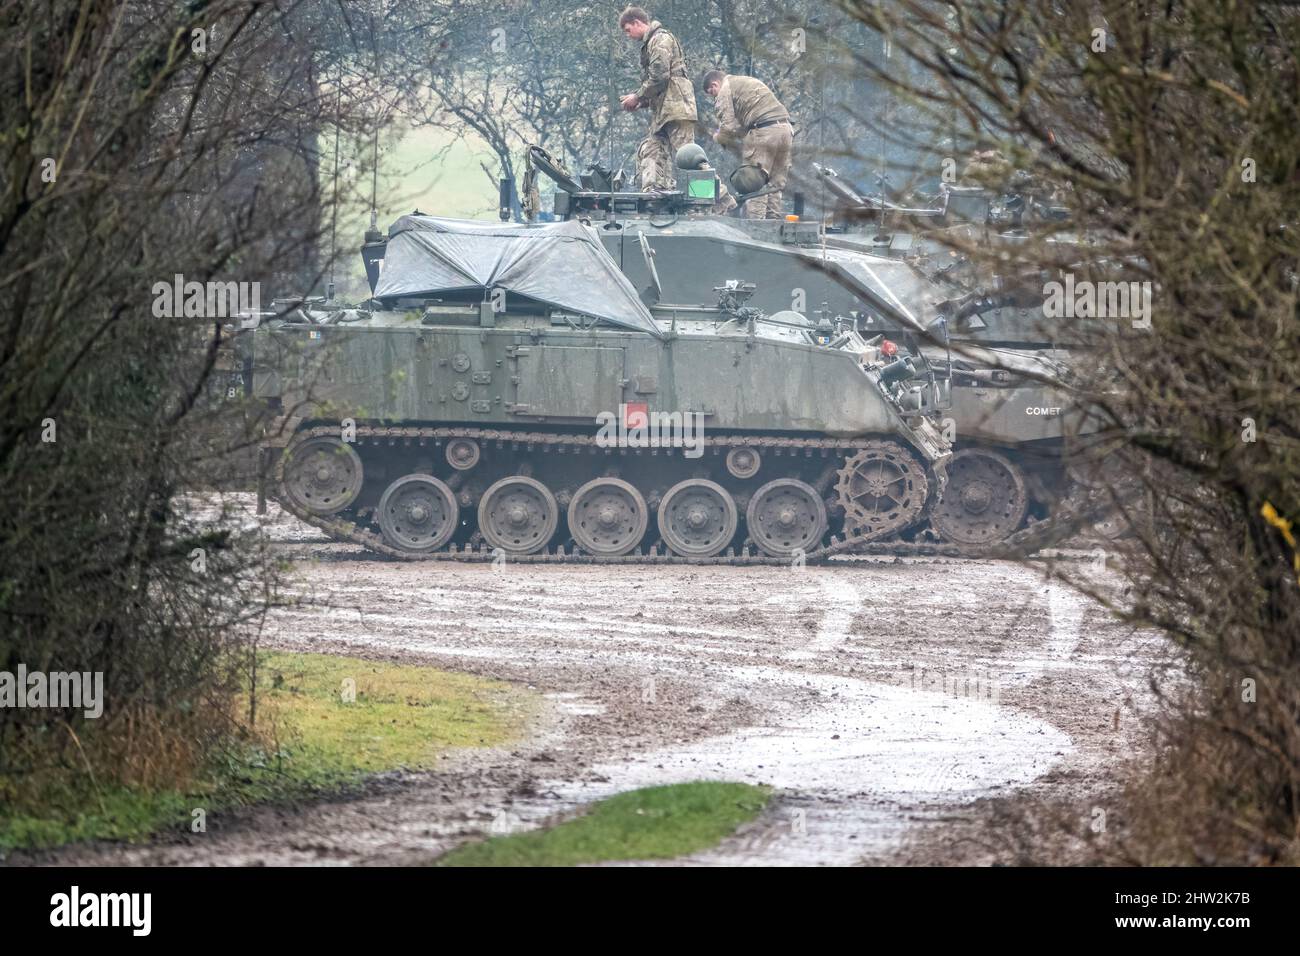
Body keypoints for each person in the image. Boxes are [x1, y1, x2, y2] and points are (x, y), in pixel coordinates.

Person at [618, 7, 697, 193]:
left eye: (628, 30)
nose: (628, 36)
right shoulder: (652, 43)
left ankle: (718, 202)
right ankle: (654, 193)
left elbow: (660, 76)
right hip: (664, 111)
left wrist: (637, 96)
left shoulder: (660, 39)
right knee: (652, 149)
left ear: (638, 22)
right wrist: (640, 102)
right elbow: (660, 85)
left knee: (689, 158)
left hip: (677, 109)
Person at [702, 69, 793, 219]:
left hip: (764, 132)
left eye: (711, 92)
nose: (713, 96)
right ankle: (773, 226)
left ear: (714, 84)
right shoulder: (745, 82)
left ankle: (756, 228)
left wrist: (718, 137)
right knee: (775, 184)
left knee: (754, 182)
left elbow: (728, 126)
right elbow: (741, 127)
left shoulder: (725, 88)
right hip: (785, 129)